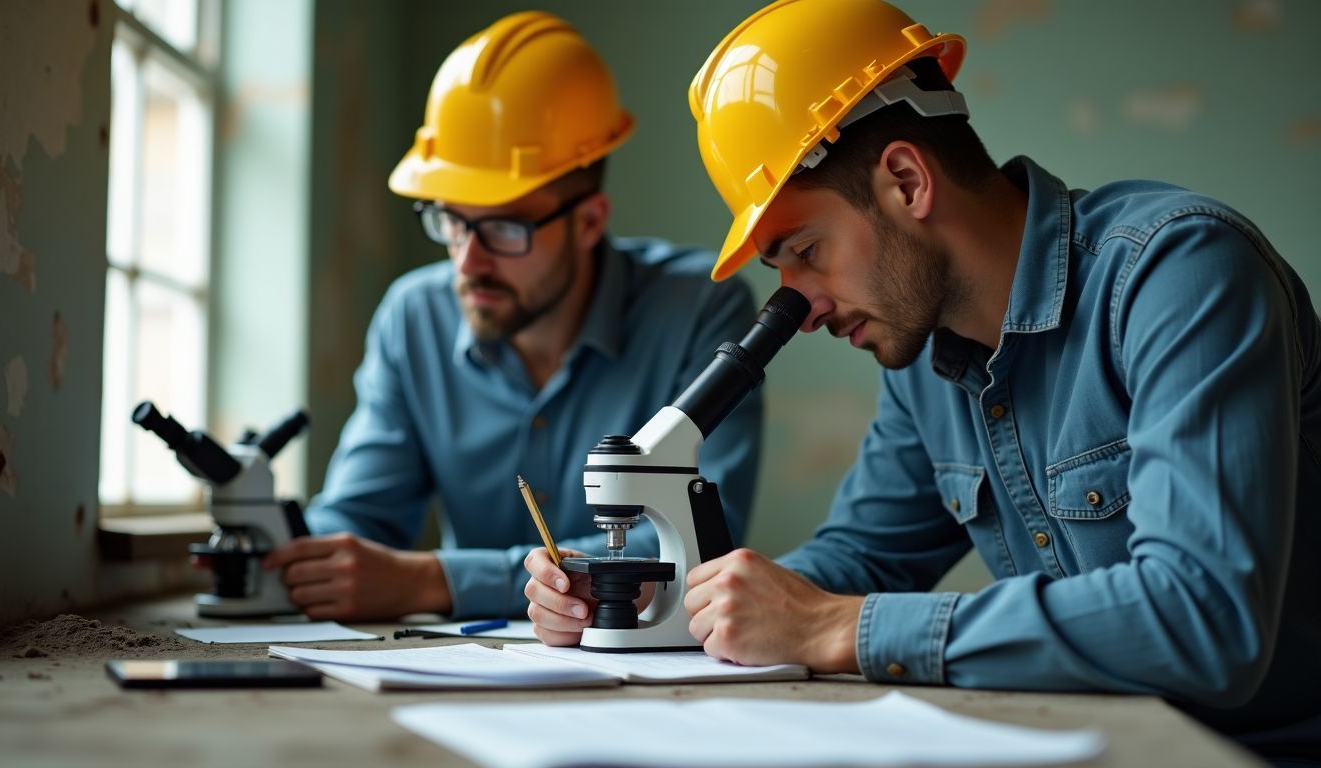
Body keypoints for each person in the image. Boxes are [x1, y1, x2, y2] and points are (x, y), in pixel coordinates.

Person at [523, 0, 1320, 761]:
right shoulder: (926, 359)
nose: (804, 310)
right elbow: (857, 563)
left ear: (906, 181)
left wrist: (848, 629)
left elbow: (1205, 620)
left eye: (804, 251)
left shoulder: (1181, 276)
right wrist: (642, 608)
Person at [262, 11, 761, 623]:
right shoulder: (413, 318)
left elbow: (698, 548)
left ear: (589, 221)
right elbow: (359, 517)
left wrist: (437, 583)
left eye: (503, 226)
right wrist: (309, 553)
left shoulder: (701, 312)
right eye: (450, 220)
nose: (467, 262)